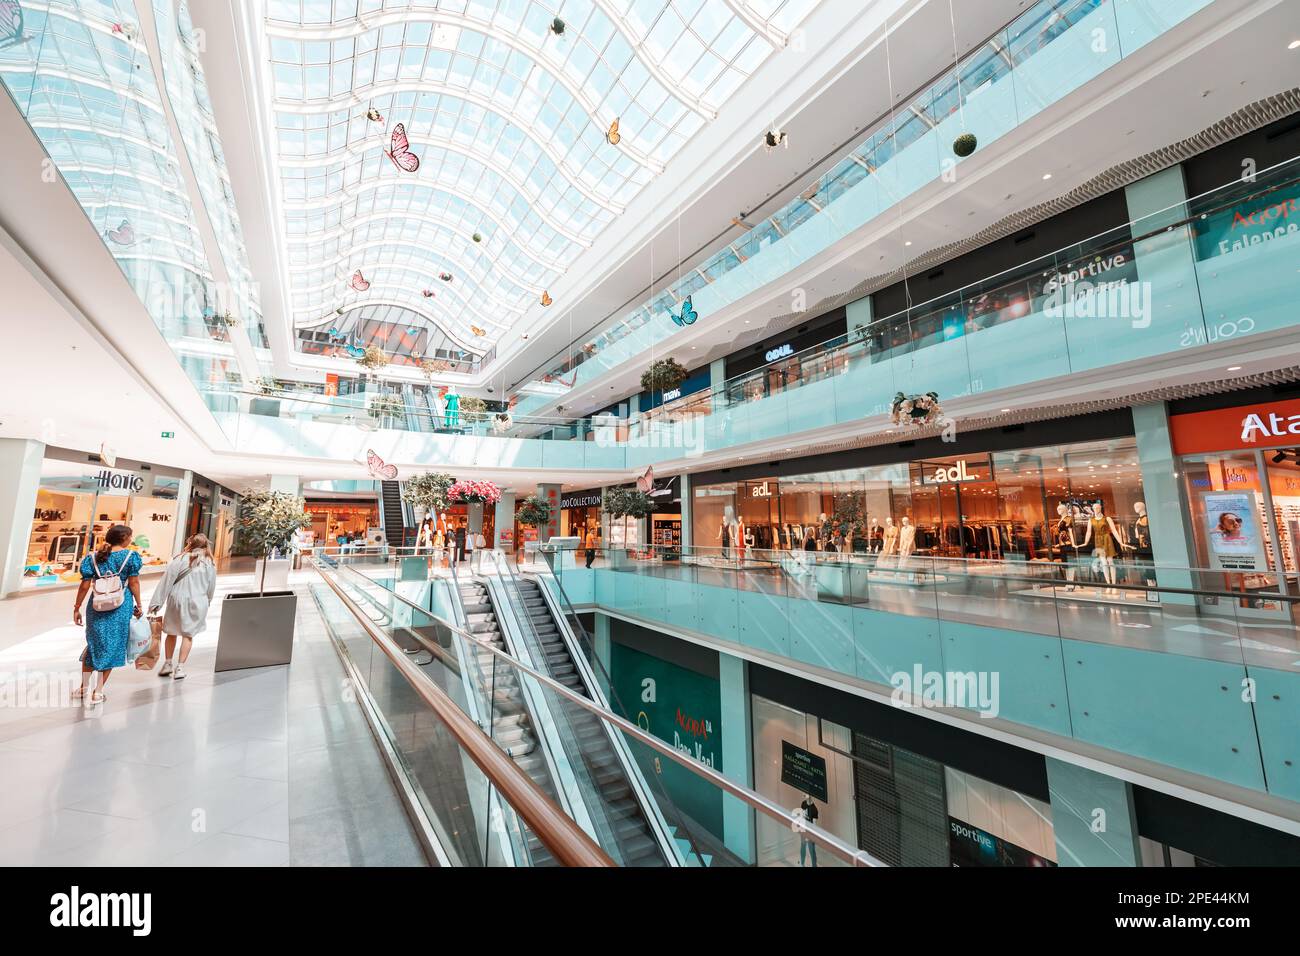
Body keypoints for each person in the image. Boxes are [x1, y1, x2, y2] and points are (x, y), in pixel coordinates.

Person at [71, 525, 143, 705]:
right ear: (125, 537)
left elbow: (85, 586)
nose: (131, 540)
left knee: (93, 645)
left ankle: (83, 688)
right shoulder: (131, 557)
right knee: (113, 646)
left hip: (97, 605)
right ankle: (98, 691)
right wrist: (139, 604)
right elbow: (133, 583)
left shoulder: (92, 557)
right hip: (121, 606)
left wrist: (76, 607)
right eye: (130, 536)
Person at [148, 534, 218, 680]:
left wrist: (156, 603)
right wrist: (208, 601)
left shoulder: (179, 559)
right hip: (197, 601)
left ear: (190, 544)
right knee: (188, 635)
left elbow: (166, 581)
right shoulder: (209, 562)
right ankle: (180, 668)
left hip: (176, 600)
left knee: (171, 632)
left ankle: (168, 664)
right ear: (205, 546)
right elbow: (211, 586)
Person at [799, 797, 819, 867]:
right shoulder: (803, 803)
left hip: (810, 832)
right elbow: (801, 816)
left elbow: (814, 825)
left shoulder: (814, 809)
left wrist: (810, 835)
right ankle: (802, 863)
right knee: (803, 847)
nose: (804, 794)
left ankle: (814, 865)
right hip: (803, 830)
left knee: (812, 850)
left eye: (806, 793)